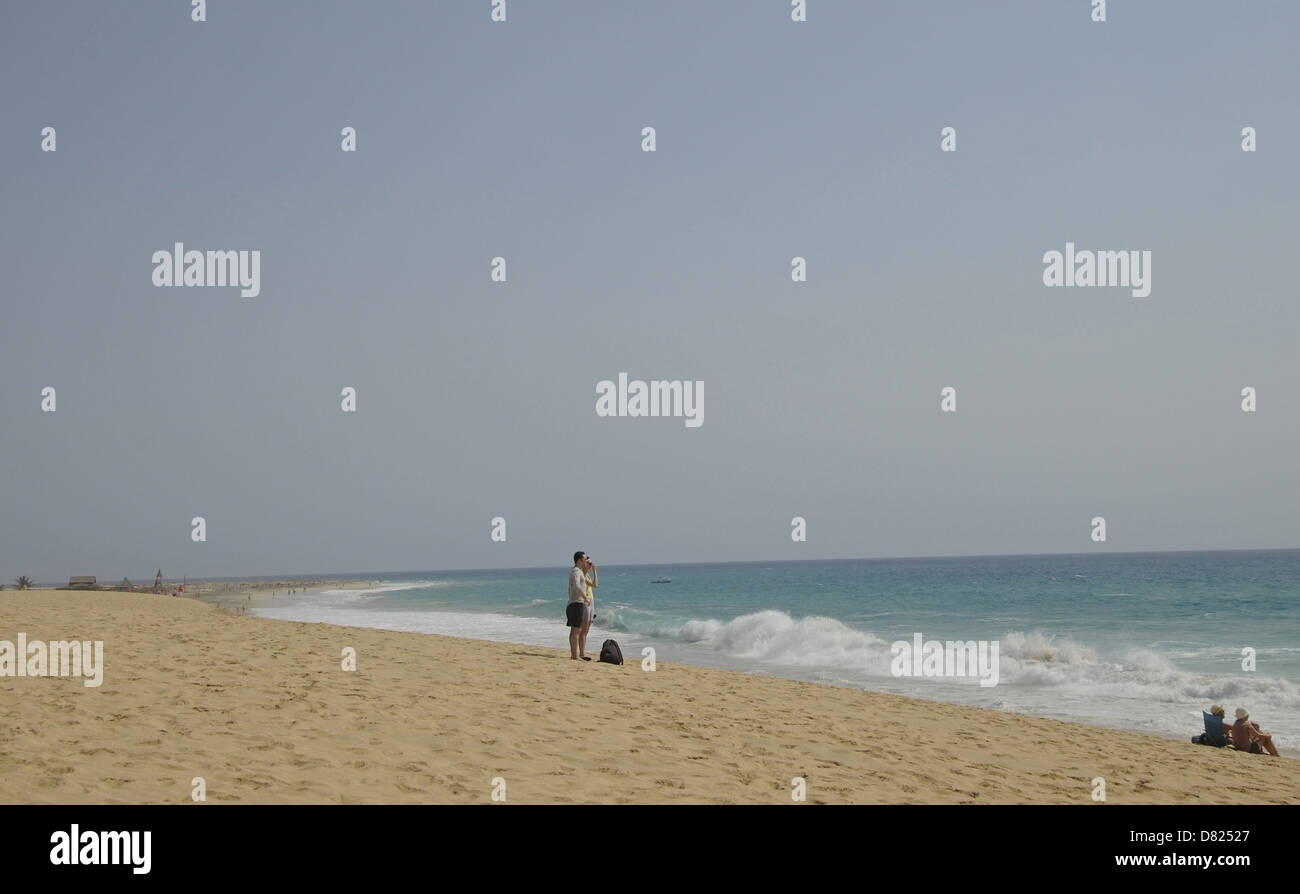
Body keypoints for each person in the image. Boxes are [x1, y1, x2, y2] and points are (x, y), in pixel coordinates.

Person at [567, 551, 594, 661]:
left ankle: (575, 655)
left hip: (577, 603)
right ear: (579, 560)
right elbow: (577, 585)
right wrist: (585, 597)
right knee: (576, 630)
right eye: (584, 559)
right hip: (576, 603)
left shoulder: (579, 571)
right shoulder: (576, 571)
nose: (585, 560)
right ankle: (575, 655)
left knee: (575, 630)